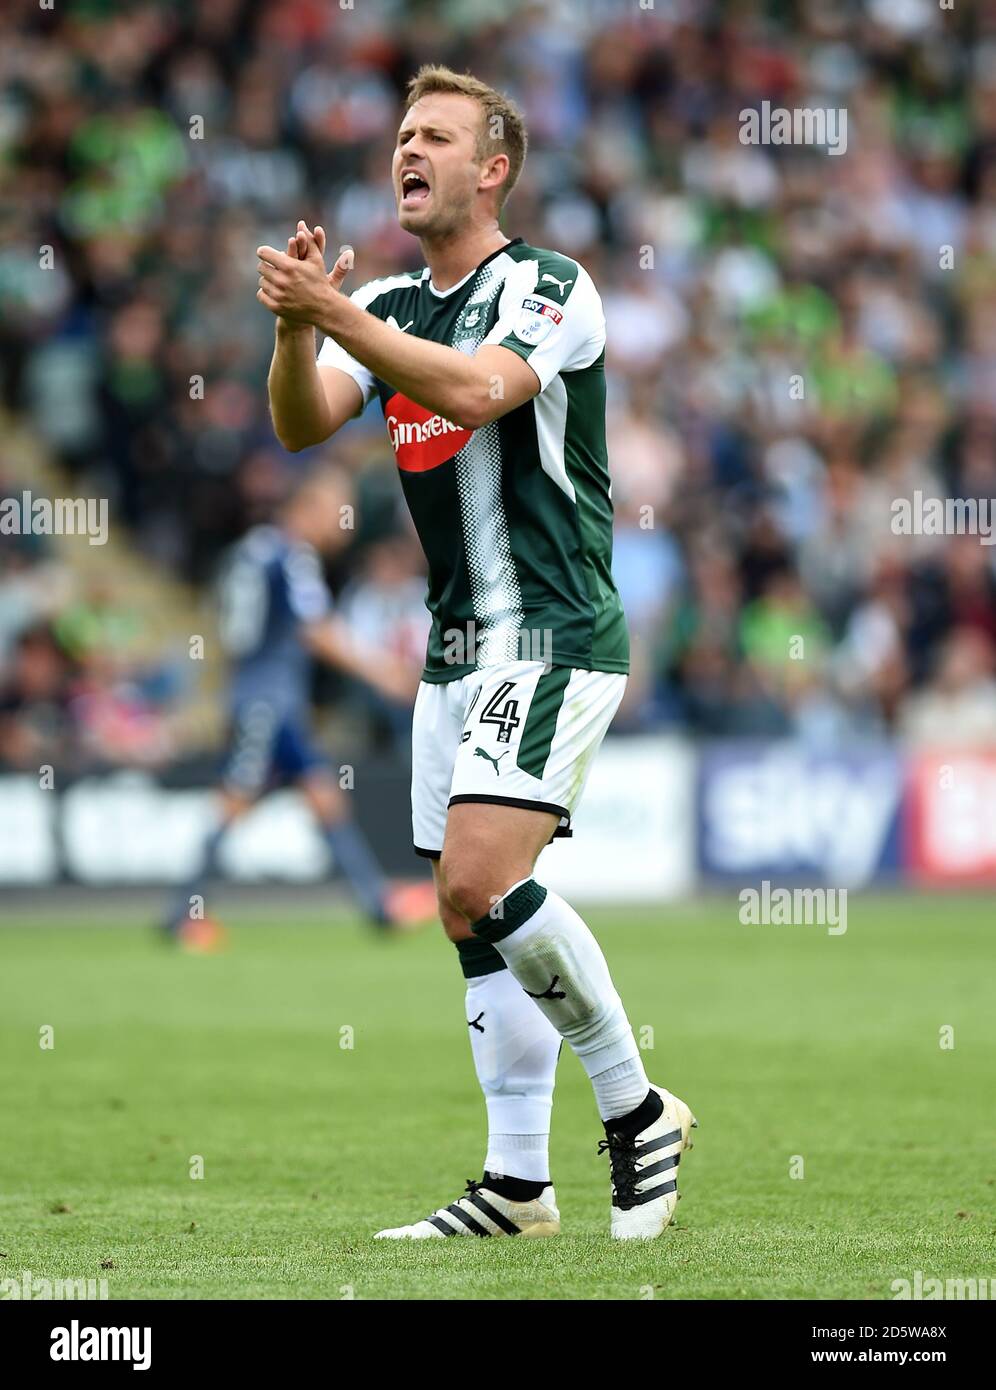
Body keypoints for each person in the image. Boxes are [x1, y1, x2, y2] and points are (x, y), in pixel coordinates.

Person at [257, 65, 696, 1240]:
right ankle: (516, 1186)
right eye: (402, 135)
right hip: (454, 652)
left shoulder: (552, 287)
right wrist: (302, 329)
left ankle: (636, 1104)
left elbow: (476, 388)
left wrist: (335, 315)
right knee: (468, 919)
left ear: (492, 167)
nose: (409, 149)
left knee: (477, 882)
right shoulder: (393, 303)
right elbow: (301, 422)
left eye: (437, 136)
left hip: (550, 631)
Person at [163, 466, 432, 950]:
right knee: (235, 799)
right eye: (334, 511)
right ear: (306, 507)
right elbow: (316, 629)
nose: (340, 525)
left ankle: (377, 905)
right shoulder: (292, 555)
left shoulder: (253, 549)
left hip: (267, 695)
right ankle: (182, 913)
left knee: (324, 797)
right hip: (267, 700)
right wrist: (383, 673)